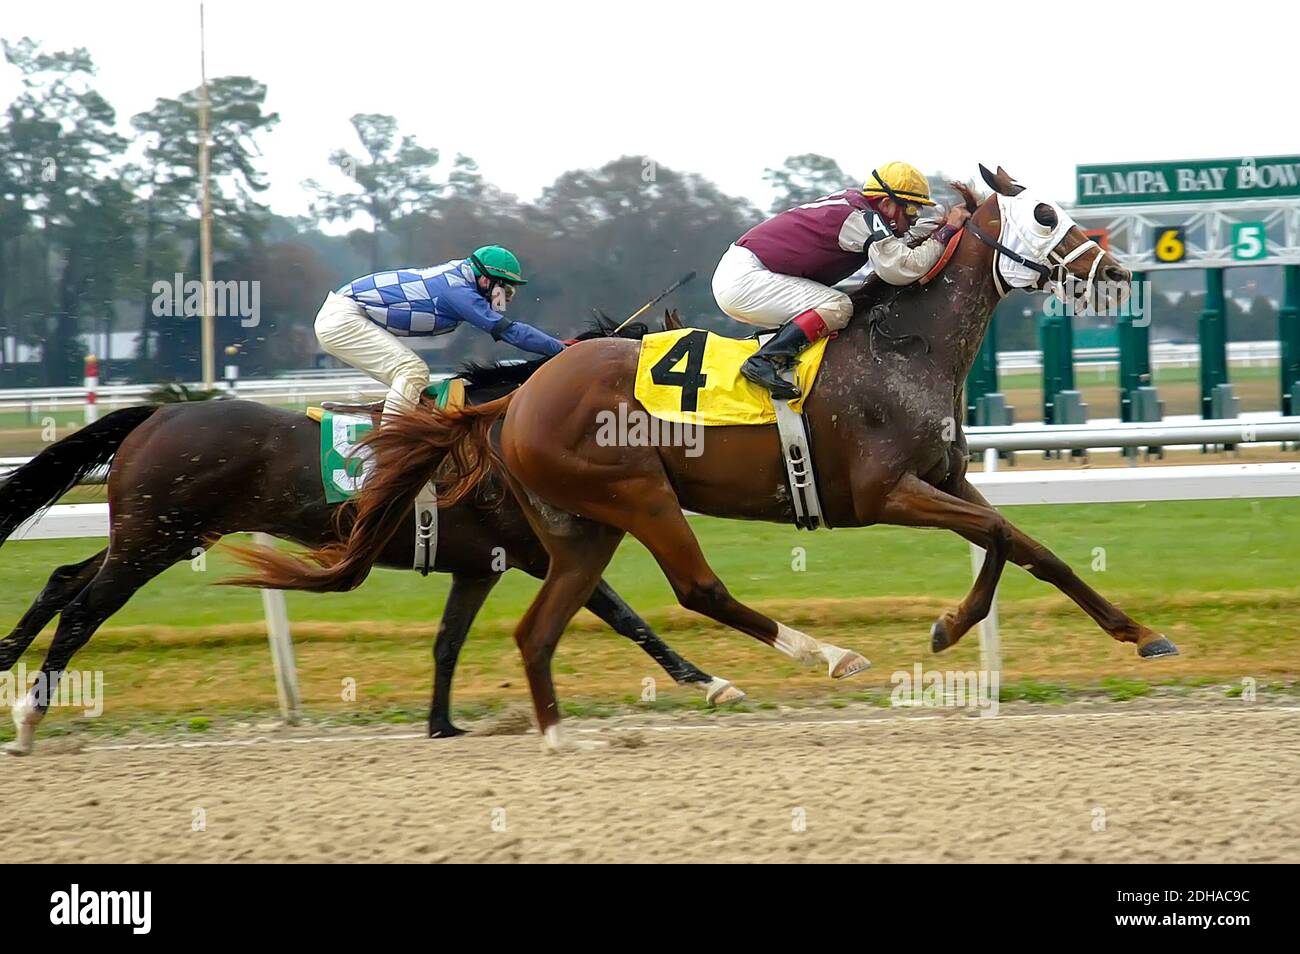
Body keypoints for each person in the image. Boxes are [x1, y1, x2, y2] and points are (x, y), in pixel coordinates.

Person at [712, 162, 971, 399]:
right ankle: (765, 361)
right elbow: (901, 268)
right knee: (839, 307)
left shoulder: (863, 210)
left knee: (838, 306)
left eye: (920, 209)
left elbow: (907, 235)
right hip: (746, 277)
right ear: (885, 203)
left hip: (746, 270)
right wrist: (947, 230)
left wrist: (948, 223)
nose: (915, 215)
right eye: (911, 208)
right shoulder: (862, 219)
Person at [315, 245, 565, 421]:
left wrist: (557, 344)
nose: (507, 296)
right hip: (343, 319)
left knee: (414, 385)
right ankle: (392, 443)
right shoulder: (458, 291)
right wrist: (561, 350)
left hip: (345, 315)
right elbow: (510, 332)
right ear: (487, 280)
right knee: (412, 371)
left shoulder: (462, 278)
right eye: (506, 288)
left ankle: (391, 418)